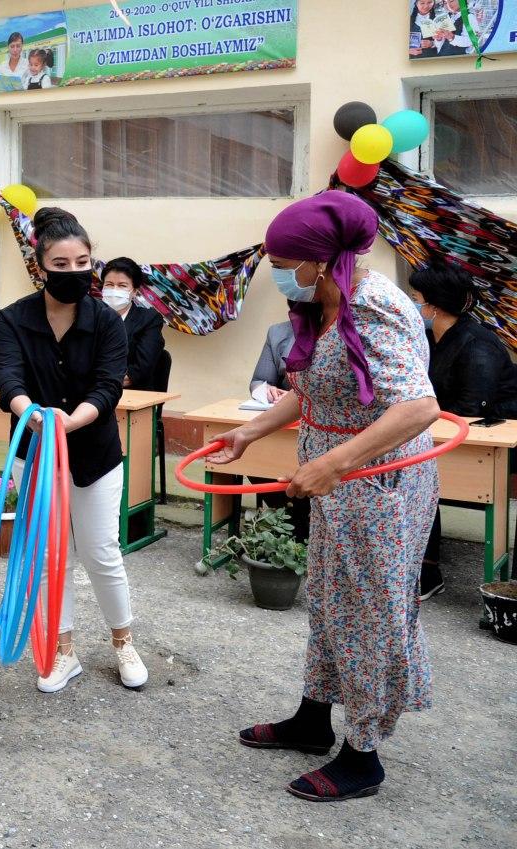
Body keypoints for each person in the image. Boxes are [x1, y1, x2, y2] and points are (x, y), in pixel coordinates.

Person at [209, 191, 439, 803]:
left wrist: (335, 463)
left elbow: (419, 407)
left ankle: (363, 753)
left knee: (373, 611)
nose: (278, 270)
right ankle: (314, 719)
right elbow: (314, 390)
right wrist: (252, 430)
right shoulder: (321, 303)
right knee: (331, 600)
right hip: (338, 483)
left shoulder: (377, 308)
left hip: (379, 485)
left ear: (319, 259)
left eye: (286, 260)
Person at [0, 207, 148, 695]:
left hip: (95, 455)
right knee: (49, 556)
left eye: (83, 262)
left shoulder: (106, 322)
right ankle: (63, 652)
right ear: (40, 267)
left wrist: (67, 421)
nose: (74, 272)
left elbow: (107, 390)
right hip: (36, 455)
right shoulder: (13, 319)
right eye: (61, 265)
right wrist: (33, 415)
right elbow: (8, 380)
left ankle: (123, 643)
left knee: (101, 552)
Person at [407, 263, 517, 599]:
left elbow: (471, 409)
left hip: (492, 442)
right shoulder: (428, 337)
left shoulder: (477, 345)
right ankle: (413, 565)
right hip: (440, 432)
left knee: (420, 471)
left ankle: (427, 570)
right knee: (410, 468)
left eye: (416, 301)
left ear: (435, 306)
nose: (413, 308)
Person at [248, 320, 310, 543]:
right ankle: (289, 521)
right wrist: (268, 390)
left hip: (317, 423)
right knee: (253, 454)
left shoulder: (336, 329)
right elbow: (257, 381)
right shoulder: (278, 332)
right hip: (281, 423)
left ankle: (302, 525)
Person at [101, 257, 164, 390]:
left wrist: (102, 385)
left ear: (134, 292)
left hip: (131, 394)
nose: (114, 290)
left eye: (122, 286)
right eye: (109, 284)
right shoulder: (89, 316)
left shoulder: (149, 319)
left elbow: (140, 370)